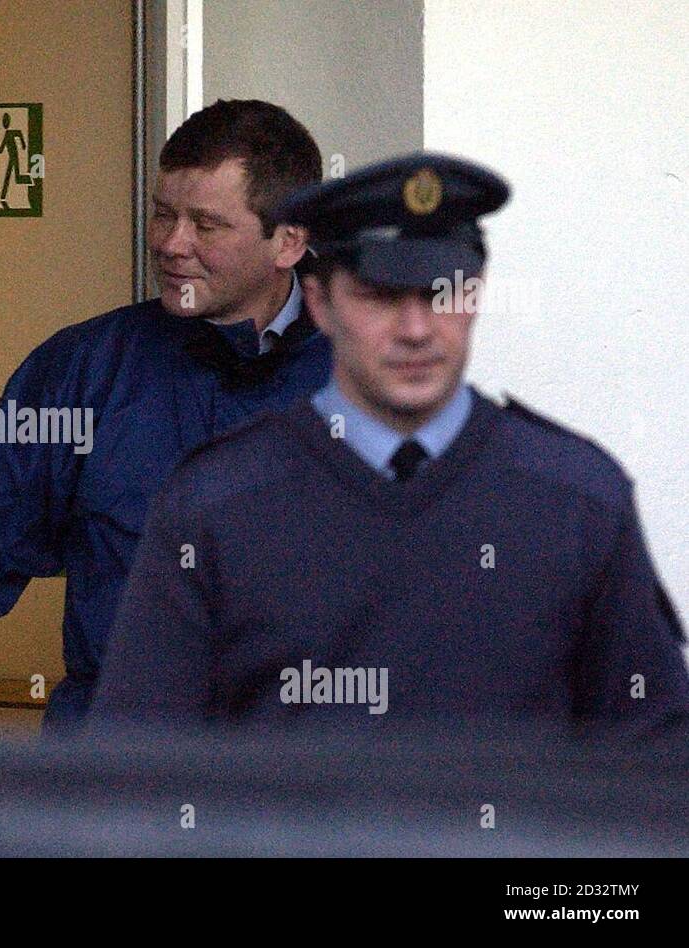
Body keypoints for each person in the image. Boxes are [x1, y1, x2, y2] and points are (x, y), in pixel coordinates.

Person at [89, 152, 689, 735]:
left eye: (441, 293)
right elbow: (135, 774)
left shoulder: (576, 497)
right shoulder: (216, 504)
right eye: (380, 296)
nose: (416, 329)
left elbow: (653, 762)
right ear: (320, 302)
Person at [0, 100, 332, 731]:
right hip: (116, 781)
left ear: (288, 241)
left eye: (206, 225)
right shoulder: (85, 369)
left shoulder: (370, 383)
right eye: (163, 214)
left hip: (304, 790)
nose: (172, 244)